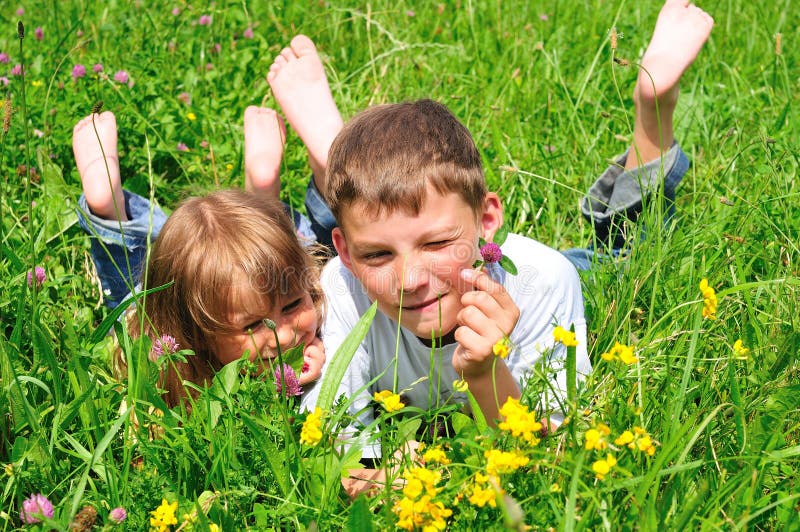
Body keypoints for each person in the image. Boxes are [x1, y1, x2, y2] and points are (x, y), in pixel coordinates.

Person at [304, 0, 714, 459]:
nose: (410, 280)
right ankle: (332, 155)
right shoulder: (340, 285)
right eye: (377, 255)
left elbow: (550, 452)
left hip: (522, 267)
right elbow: (338, 449)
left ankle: (651, 115)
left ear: (486, 221)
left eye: (438, 243)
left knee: (623, 258)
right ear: (344, 252)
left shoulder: (544, 281)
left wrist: (485, 374)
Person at [73, 35, 344, 406]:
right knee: (130, 301)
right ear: (197, 333)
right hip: (159, 301)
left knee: (322, 249)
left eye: (294, 306)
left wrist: (317, 350)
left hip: (280, 261)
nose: (283, 337)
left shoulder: (306, 285)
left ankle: (268, 200)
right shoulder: (169, 353)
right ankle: (110, 209)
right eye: (251, 326)